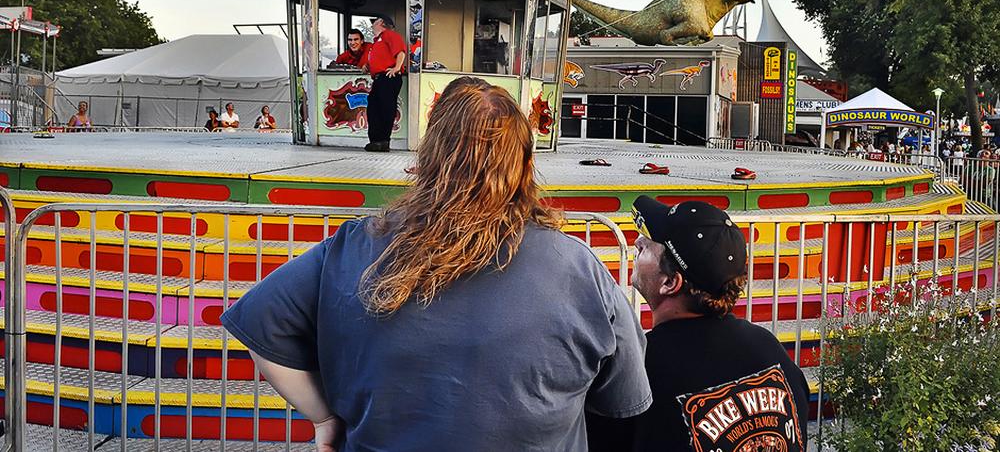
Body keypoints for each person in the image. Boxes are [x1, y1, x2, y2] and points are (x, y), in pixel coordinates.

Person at [220, 79, 651, 452]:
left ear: (430, 156)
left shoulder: (353, 247)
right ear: (524, 165)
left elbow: (259, 321)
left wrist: (324, 418)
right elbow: (624, 399)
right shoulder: (578, 269)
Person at [588, 197, 810, 452]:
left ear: (670, 282)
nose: (638, 242)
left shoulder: (639, 368)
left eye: (649, 244)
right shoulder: (769, 348)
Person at [363, 15, 405, 152]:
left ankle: (383, 140)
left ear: (381, 22)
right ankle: (376, 140)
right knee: (374, 108)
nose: (372, 25)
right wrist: (368, 66)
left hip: (388, 76)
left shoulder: (389, 35)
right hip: (379, 78)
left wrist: (396, 68)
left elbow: (400, 52)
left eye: (374, 22)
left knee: (385, 108)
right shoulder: (376, 41)